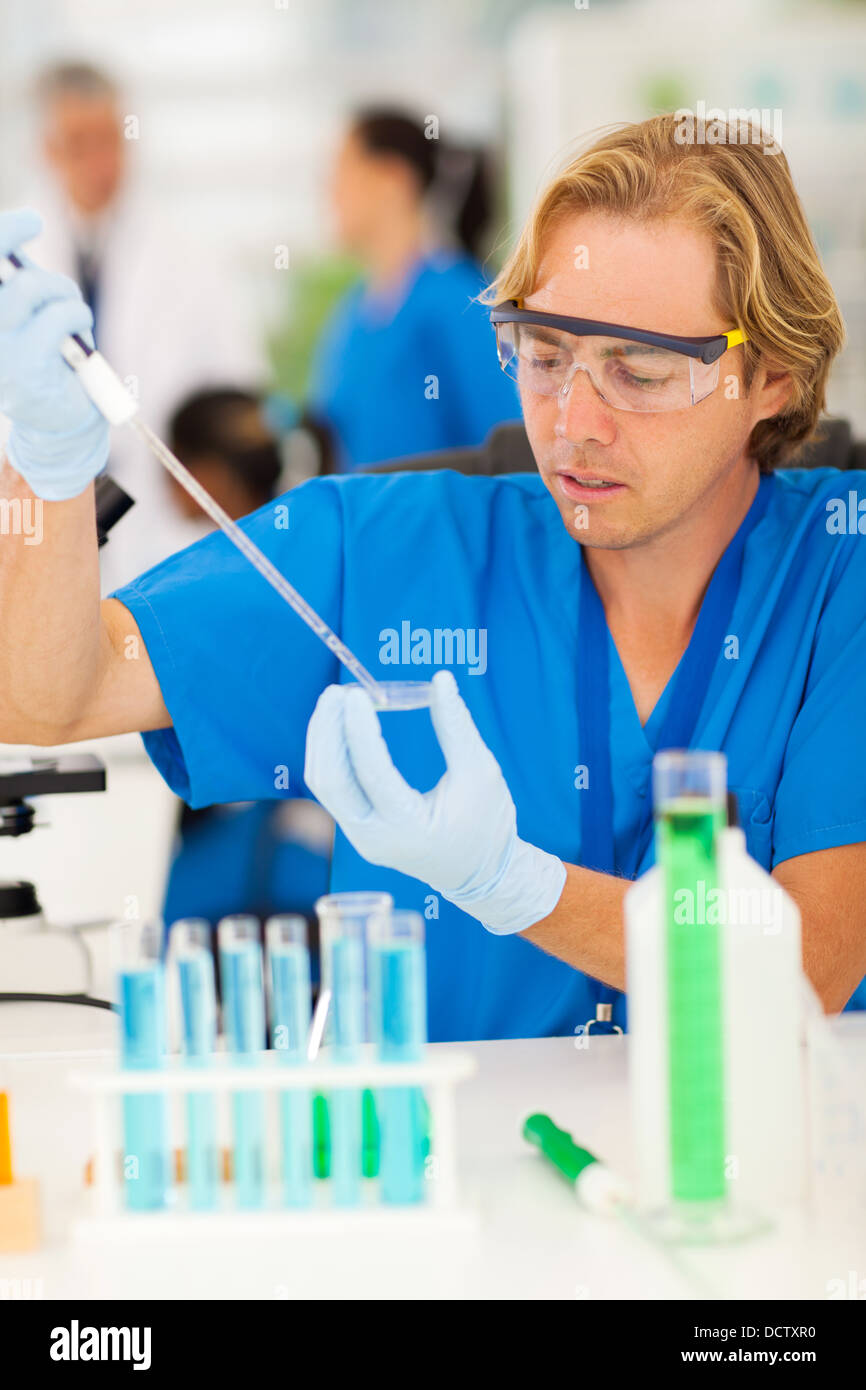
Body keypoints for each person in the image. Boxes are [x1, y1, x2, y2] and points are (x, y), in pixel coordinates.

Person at [1, 113, 864, 1044]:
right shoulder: (375, 550)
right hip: (444, 1169)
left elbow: (805, 970)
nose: (575, 422)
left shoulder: (840, 568)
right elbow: (47, 699)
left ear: (771, 375)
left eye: (641, 371)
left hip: (770, 1163)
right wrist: (42, 472)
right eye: (543, 355)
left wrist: (512, 883)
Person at [15, 61, 262, 590]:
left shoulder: (189, 260)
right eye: (78, 142)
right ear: (48, 150)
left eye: (110, 139)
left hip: (160, 530)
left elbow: (239, 396)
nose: (100, 161)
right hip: (37, 519)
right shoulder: (16, 259)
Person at [307, 108, 519, 471]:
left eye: (343, 169)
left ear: (393, 178)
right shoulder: (352, 312)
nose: (328, 188)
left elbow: (509, 449)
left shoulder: (461, 302)